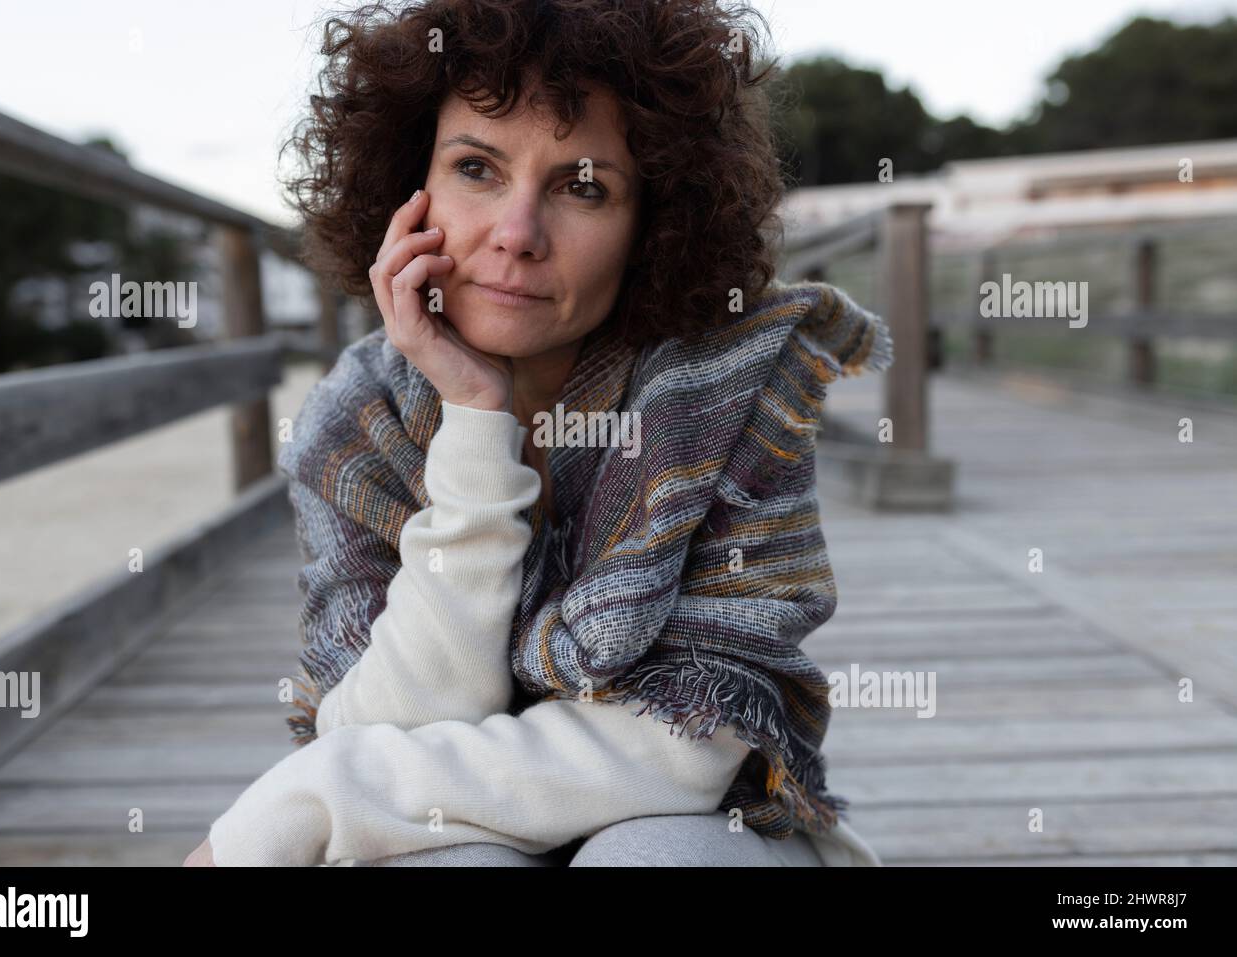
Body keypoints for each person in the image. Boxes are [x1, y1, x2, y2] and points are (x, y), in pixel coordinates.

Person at [184, 0, 888, 867]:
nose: (517, 236)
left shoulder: (729, 392)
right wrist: (476, 421)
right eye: (476, 168)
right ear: (412, 189)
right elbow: (385, 722)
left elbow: (685, 748)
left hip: (708, 826)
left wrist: (311, 795)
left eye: (583, 187)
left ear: (650, 223)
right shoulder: (354, 423)